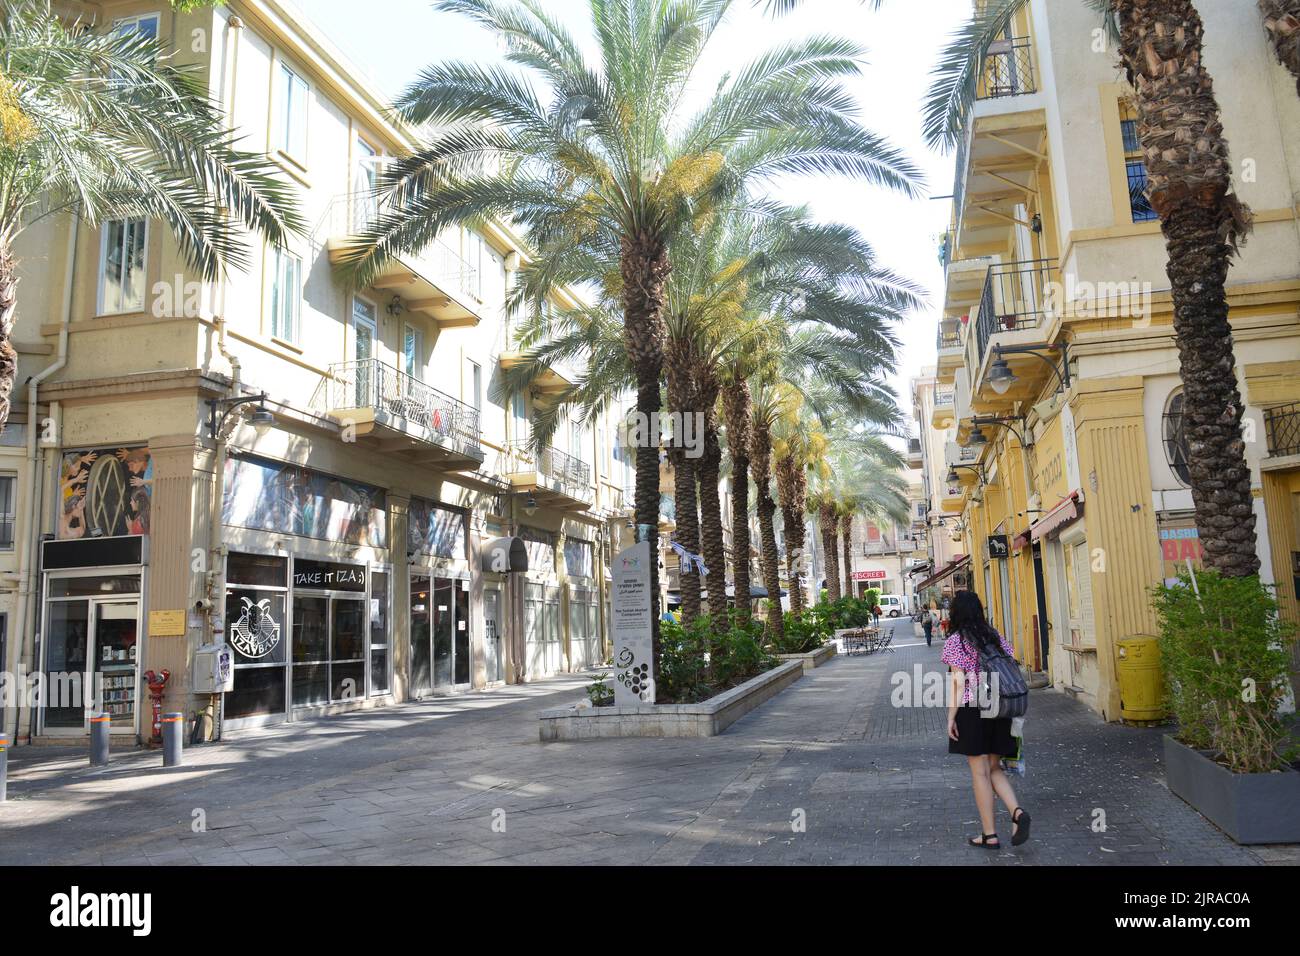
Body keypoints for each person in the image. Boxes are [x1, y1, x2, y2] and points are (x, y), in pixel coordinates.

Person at [942, 590, 1031, 849]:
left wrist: (951, 718)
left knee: (979, 773)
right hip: (1000, 706)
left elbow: (958, 684)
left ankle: (990, 835)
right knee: (994, 768)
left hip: (974, 707)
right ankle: (1018, 813)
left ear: (956, 613)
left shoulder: (956, 642)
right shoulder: (994, 636)